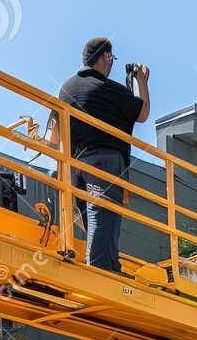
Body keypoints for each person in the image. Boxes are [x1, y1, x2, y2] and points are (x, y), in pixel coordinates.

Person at [52, 36, 150, 272]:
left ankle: (103, 262)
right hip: (104, 162)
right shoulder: (108, 89)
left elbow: (53, 138)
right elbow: (143, 113)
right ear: (106, 57)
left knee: (90, 217)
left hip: (74, 165)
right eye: (112, 59)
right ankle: (102, 268)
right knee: (103, 216)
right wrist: (141, 80)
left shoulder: (65, 89)